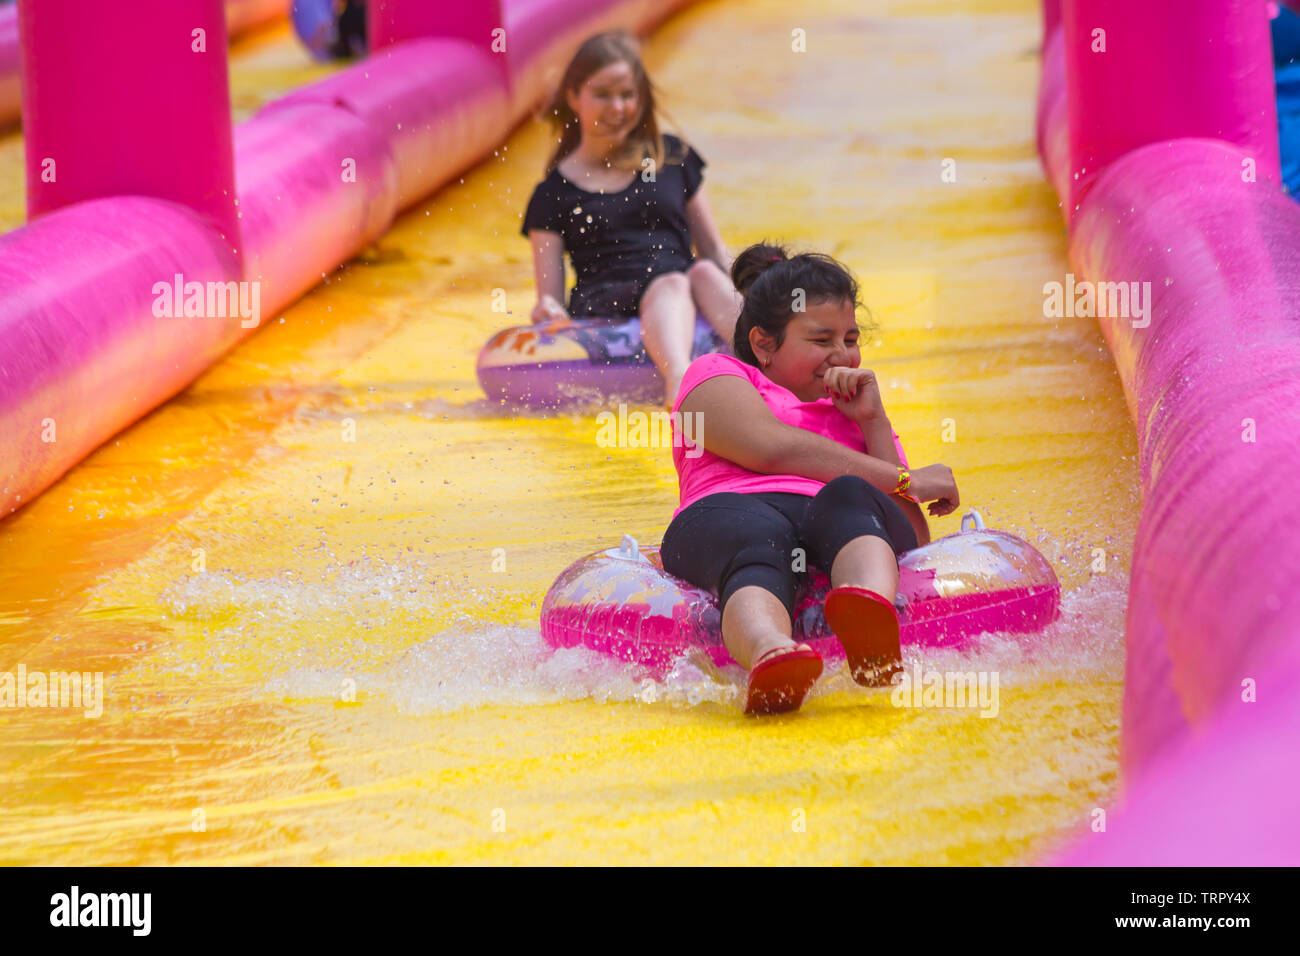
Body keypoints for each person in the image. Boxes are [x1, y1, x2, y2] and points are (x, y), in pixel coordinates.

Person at [661, 242, 961, 715]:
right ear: (763, 343)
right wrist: (903, 478)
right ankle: (770, 652)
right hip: (730, 512)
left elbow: (911, 532)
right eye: (822, 341)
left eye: (851, 339)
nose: (842, 356)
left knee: (847, 498)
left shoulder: (857, 412)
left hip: (829, 517)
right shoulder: (714, 375)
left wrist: (874, 422)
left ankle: (868, 611)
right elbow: (770, 448)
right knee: (759, 538)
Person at [520, 31, 742, 405]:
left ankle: (769, 359)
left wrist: (759, 285)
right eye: (602, 94)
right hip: (607, 301)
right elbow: (550, 298)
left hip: (682, 286)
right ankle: (679, 379)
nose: (618, 107)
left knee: (702, 272)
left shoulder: (672, 159)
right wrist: (548, 311)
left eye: (628, 94)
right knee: (674, 281)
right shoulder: (553, 194)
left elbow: (715, 251)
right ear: (574, 97)